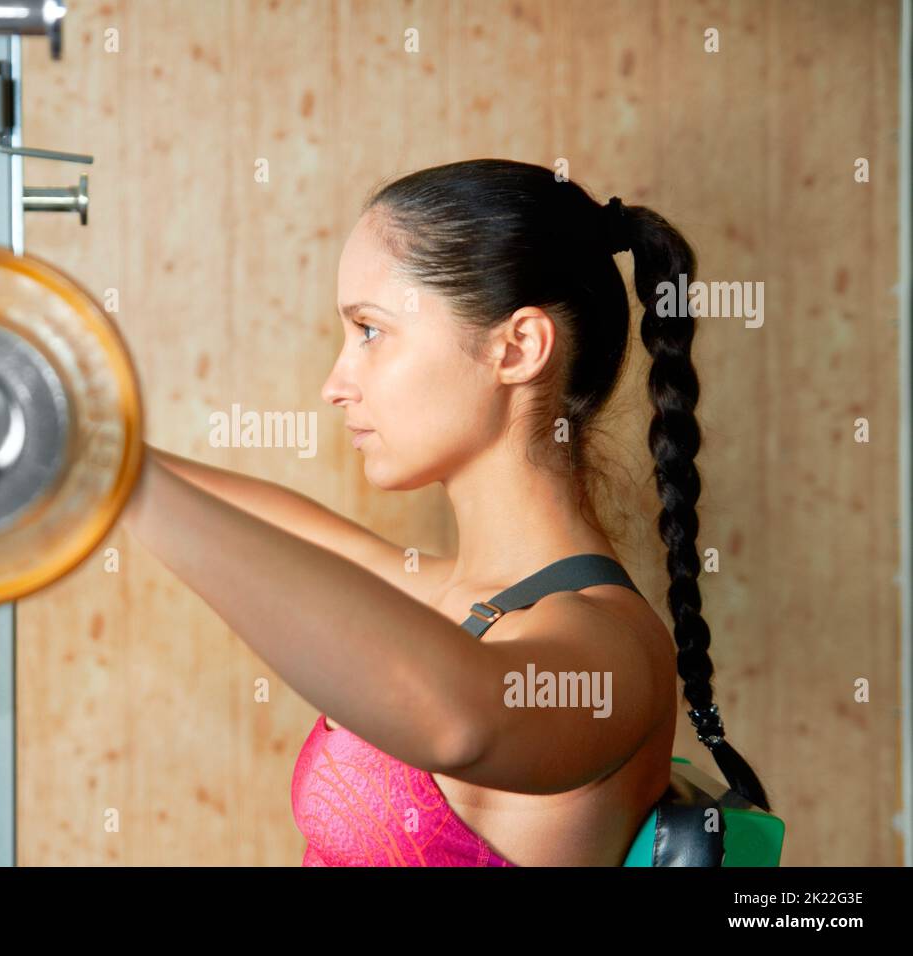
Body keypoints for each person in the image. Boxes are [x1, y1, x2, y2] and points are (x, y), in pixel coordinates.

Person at [119, 158, 769, 866]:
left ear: (516, 348)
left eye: (369, 331)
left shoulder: (606, 651)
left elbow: (460, 722)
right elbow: (281, 533)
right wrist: (89, 451)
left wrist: (124, 486)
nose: (334, 384)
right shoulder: (448, 599)